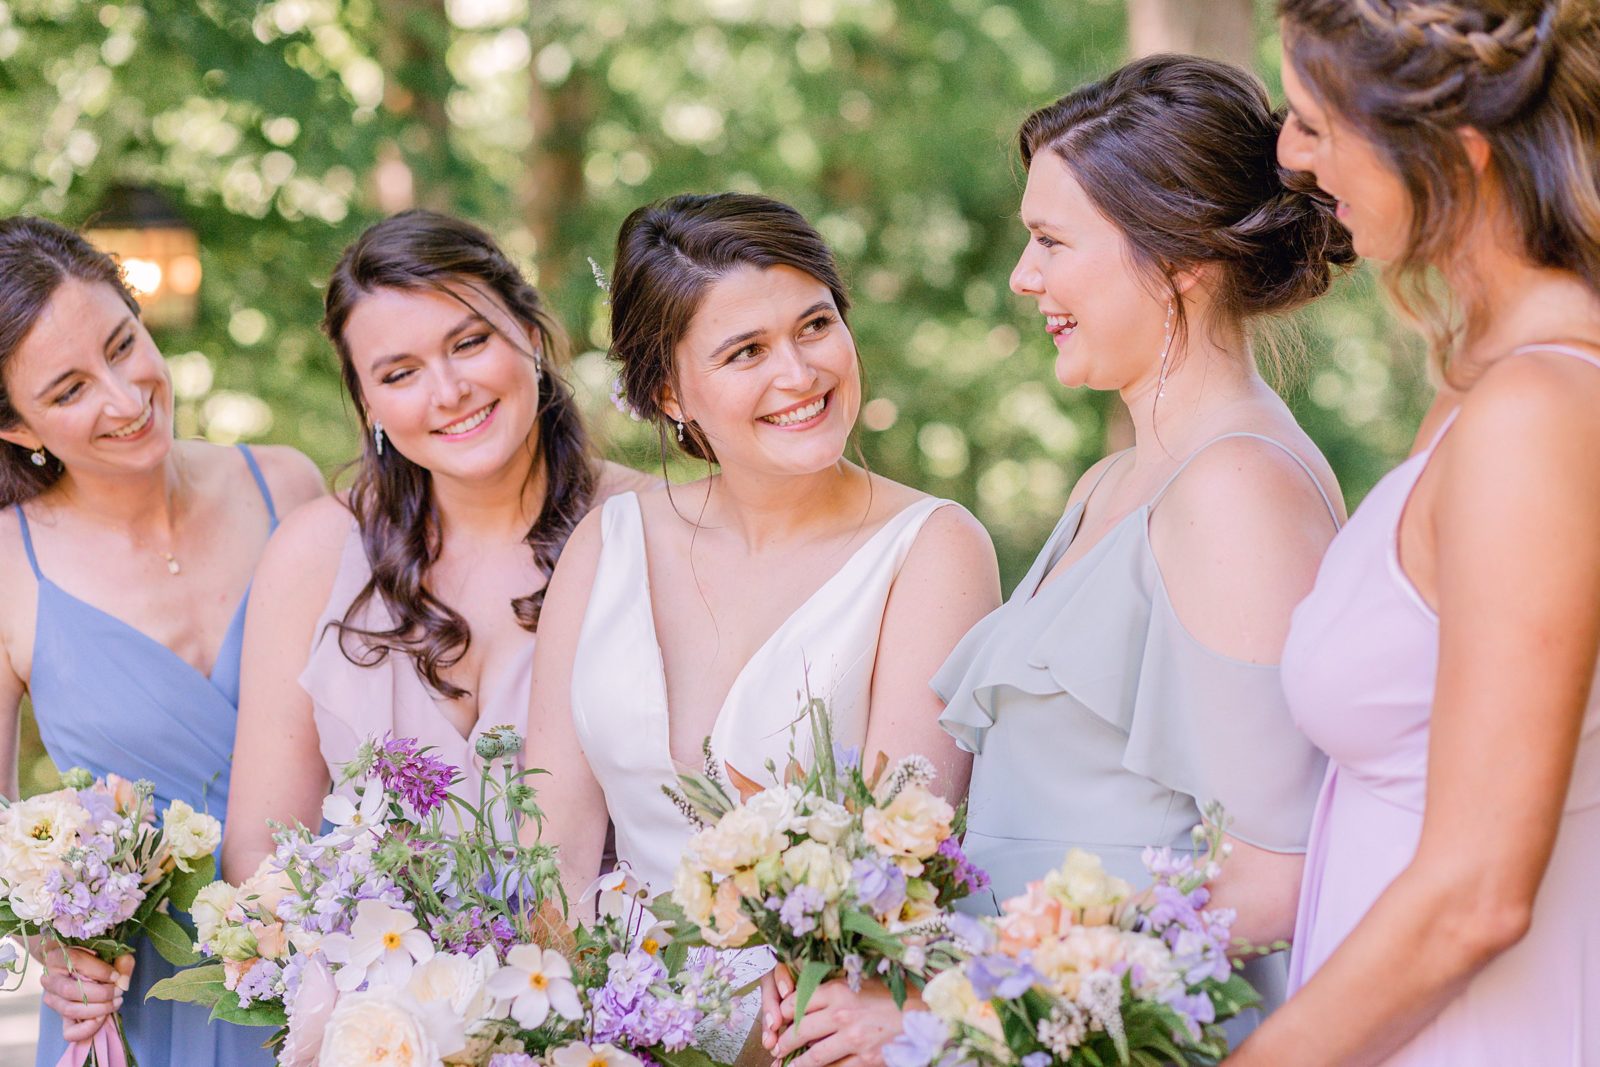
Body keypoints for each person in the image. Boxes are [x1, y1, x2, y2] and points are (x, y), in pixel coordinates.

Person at [765, 54, 1356, 1066]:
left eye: (1050, 241)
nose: (1021, 276)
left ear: (1178, 261)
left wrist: (963, 1010)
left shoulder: (1235, 490)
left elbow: (1276, 871)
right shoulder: (1113, 479)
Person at [523, 192, 1001, 1060]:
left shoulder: (934, 547)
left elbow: (898, 866)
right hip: (610, 1030)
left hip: (819, 1034)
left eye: (815, 325)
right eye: (746, 350)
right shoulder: (609, 542)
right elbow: (548, 846)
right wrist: (569, 1035)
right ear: (669, 389)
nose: (799, 372)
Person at [1227, 3, 1600, 1063]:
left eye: (1312, 121)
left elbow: (1475, 892)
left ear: (1451, 154)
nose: (1291, 157)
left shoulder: (1536, 413)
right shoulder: (1480, 380)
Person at [221, 210, 651, 879]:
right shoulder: (312, 552)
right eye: (399, 374)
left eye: (469, 342)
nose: (449, 392)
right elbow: (261, 847)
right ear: (369, 406)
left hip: (607, 965)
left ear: (531, 336)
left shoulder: (652, 528)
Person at [0, 215, 323, 1066]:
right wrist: (54, 949)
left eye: (122, 343)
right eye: (67, 390)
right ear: (17, 429)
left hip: (331, 971)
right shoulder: (6, 562)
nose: (124, 396)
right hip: (139, 999)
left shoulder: (287, 484)